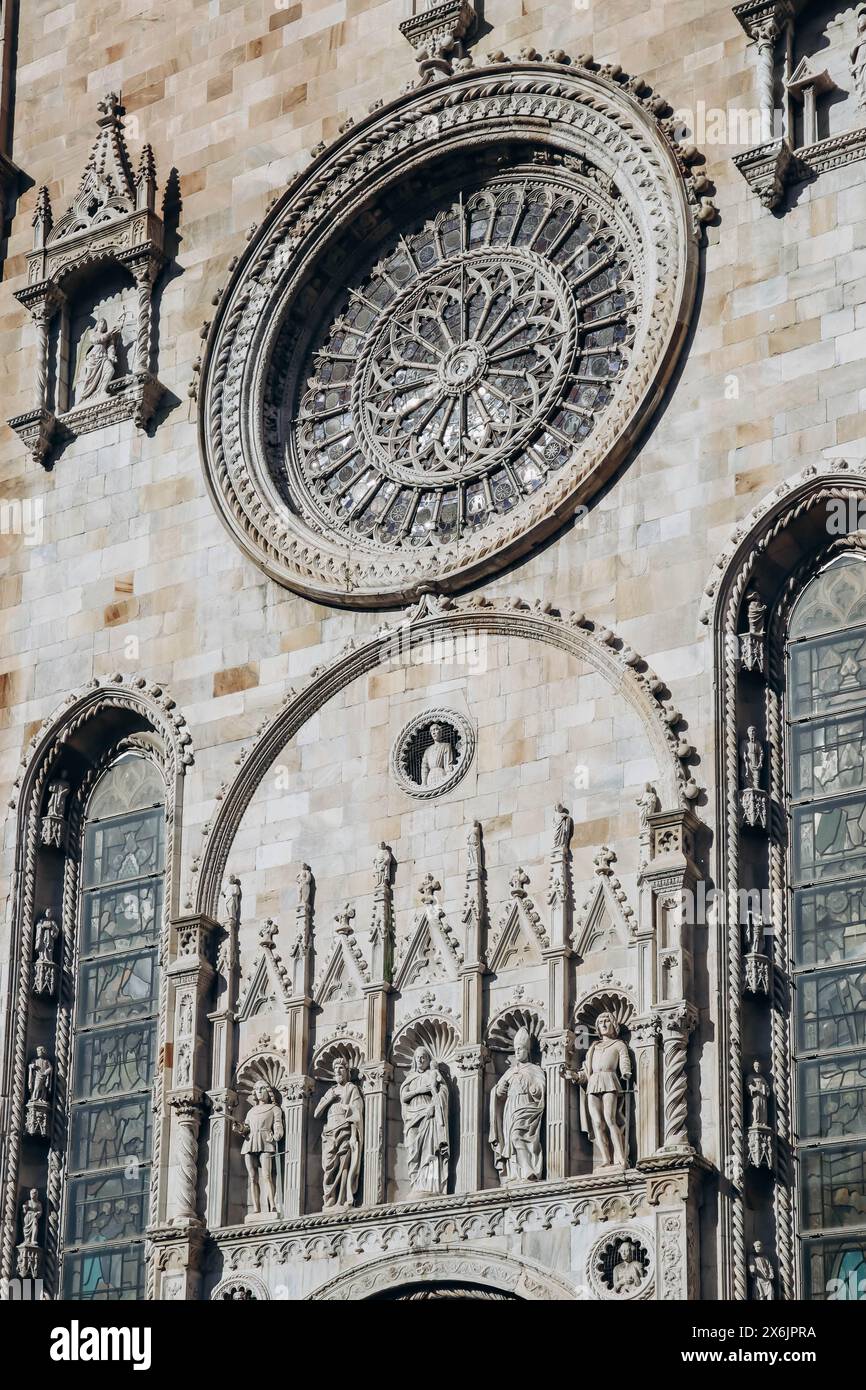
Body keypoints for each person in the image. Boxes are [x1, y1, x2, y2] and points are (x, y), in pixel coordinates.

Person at [489, 1027, 545, 1182]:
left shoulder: (534, 1069)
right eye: (515, 1050)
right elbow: (498, 1091)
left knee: (516, 1136)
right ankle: (516, 1172)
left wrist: (536, 1089)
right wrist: (500, 1090)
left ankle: (528, 1169)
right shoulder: (510, 1072)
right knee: (512, 1139)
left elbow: (541, 1086)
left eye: (520, 1049)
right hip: (511, 1108)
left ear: (527, 1050)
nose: (517, 1052)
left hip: (527, 1106)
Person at [314, 1059, 364, 1209]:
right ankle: (329, 1196)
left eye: (341, 1068)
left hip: (344, 1129)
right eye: (335, 1068)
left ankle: (340, 1198)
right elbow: (317, 1113)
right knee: (329, 1165)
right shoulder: (331, 1091)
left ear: (347, 1071)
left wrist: (345, 1106)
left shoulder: (351, 1088)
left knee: (343, 1165)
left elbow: (358, 1109)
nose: (337, 1071)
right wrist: (329, 1099)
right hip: (329, 1132)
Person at [400, 1047, 450, 1195]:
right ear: (414, 1060)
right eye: (418, 1057)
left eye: (423, 1057)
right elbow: (403, 1097)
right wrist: (419, 1090)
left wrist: (434, 1108)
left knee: (428, 1148)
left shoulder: (433, 1075)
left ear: (428, 1060)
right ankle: (415, 1183)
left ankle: (429, 1184)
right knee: (412, 1149)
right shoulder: (411, 1078)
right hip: (412, 1116)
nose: (420, 1060)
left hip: (429, 1114)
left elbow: (443, 1094)